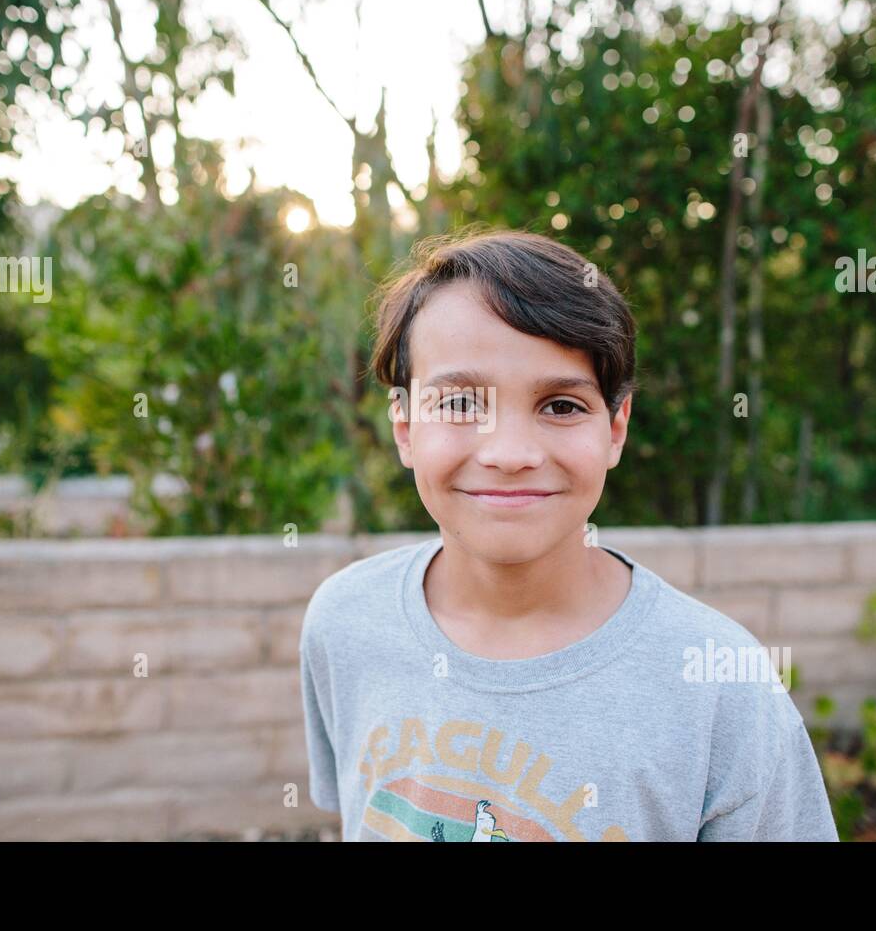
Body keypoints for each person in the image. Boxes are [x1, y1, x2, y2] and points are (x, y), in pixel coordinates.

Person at [299, 226, 839, 842]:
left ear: (615, 429)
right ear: (404, 429)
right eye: (458, 405)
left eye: (561, 405)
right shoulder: (344, 621)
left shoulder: (720, 685)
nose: (509, 452)